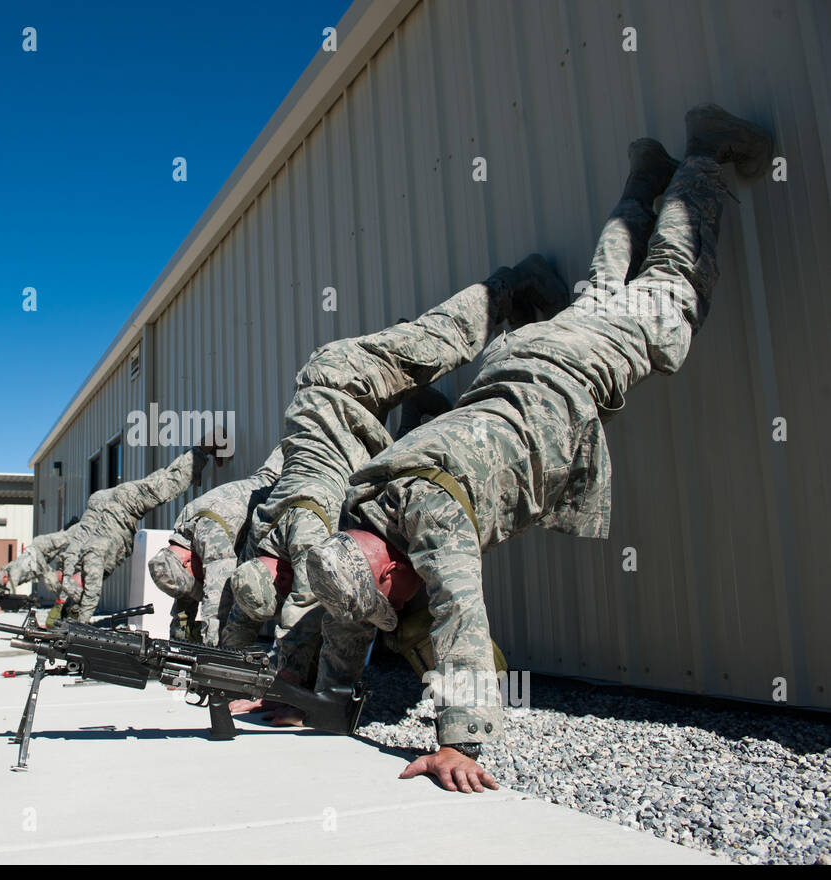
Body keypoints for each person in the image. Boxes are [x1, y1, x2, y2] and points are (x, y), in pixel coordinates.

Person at [306, 105, 774, 793]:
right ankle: (642, 179)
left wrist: (457, 741)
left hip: (568, 372)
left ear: (384, 574)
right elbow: (347, 605)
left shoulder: (430, 520)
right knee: (602, 295)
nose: (400, 600)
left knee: (668, 299)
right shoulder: (361, 508)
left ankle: (705, 152)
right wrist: (322, 704)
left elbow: (462, 613)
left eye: (391, 596)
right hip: (520, 358)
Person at [230, 255, 568, 686]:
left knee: (445, 337)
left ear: (277, 573)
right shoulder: (260, 541)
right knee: (409, 412)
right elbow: (251, 609)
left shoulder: (304, 531)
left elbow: (308, 604)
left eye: (281, 587)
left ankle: (515, 280)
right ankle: (423, 395)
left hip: (344, 382)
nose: (287, 587)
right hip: (332, 404)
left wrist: (288, 684)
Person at [57, 446, 212, 622]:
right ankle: (194, 459)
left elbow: (91, 597)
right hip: (107, 502)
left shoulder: (91, 562)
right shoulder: (75, 561)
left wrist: (80, 624)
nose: (87, 586)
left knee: (169, 484)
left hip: (124, 504)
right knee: (162, 479)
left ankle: (204, 448)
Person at [148, 445, 284, 645]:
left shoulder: (210, 535)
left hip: (274, 489)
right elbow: (185, 596)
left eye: (195, 579)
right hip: (262, 481)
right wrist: (179, 636)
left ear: (186, 561)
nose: (199, 583)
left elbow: (219, 599)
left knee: (305, 442)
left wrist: (214, 652)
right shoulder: (184, 530)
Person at [0, 529, 71, 595]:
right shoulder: (7, 570)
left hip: (39, 552)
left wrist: (3, 598)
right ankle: (71, 526)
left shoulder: (14, 572)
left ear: (4, 577)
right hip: (40, 558)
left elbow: (11, 588)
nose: (5, 584)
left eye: (4, 583)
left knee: (66, 539)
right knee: (61, 542)